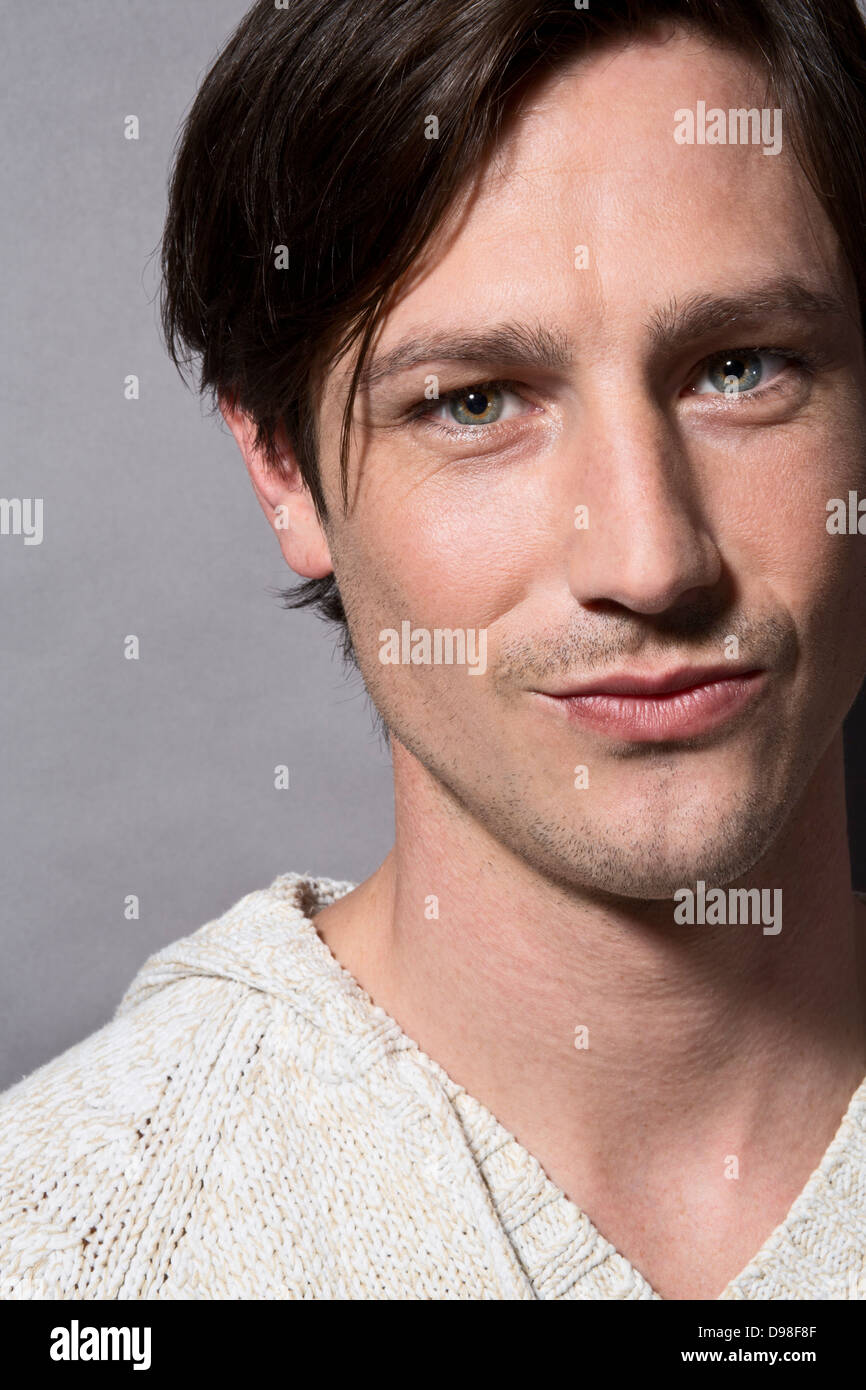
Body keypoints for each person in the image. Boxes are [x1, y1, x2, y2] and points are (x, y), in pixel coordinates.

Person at [2, 0, 866, 1301]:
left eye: (739, 368)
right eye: (472, 402)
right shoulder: (65, 1253)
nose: (647, 557)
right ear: (282, 469)